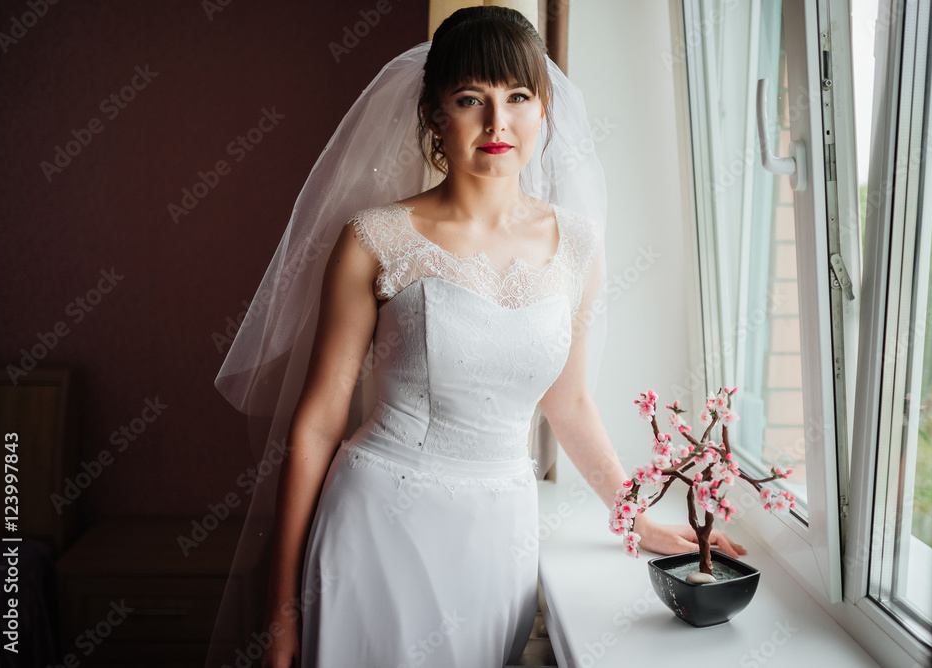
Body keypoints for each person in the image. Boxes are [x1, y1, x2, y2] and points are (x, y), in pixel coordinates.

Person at [206, 7, 745, 668]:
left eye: (518, 97)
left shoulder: (577, 244)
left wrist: (634, 515)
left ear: (544, 108)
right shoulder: (374, 238)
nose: (498, 123)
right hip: (378, 525)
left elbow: (568, 400)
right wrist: (280, 609)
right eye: (471, 99)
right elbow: (317, 423)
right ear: (435, 115)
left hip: (499, 538)